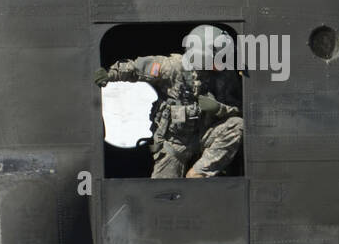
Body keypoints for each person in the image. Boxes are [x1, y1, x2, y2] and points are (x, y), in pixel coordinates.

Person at [95, 25, 244, 179]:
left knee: (237, 125)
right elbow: (136, 69)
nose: (221, 63)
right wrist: (110, 74)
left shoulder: (225, 77)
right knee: (164, 192)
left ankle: (200, 172)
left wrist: (219, 109)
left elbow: (239, 108)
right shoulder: (172, 67)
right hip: (174, 143)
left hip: (204, 135)